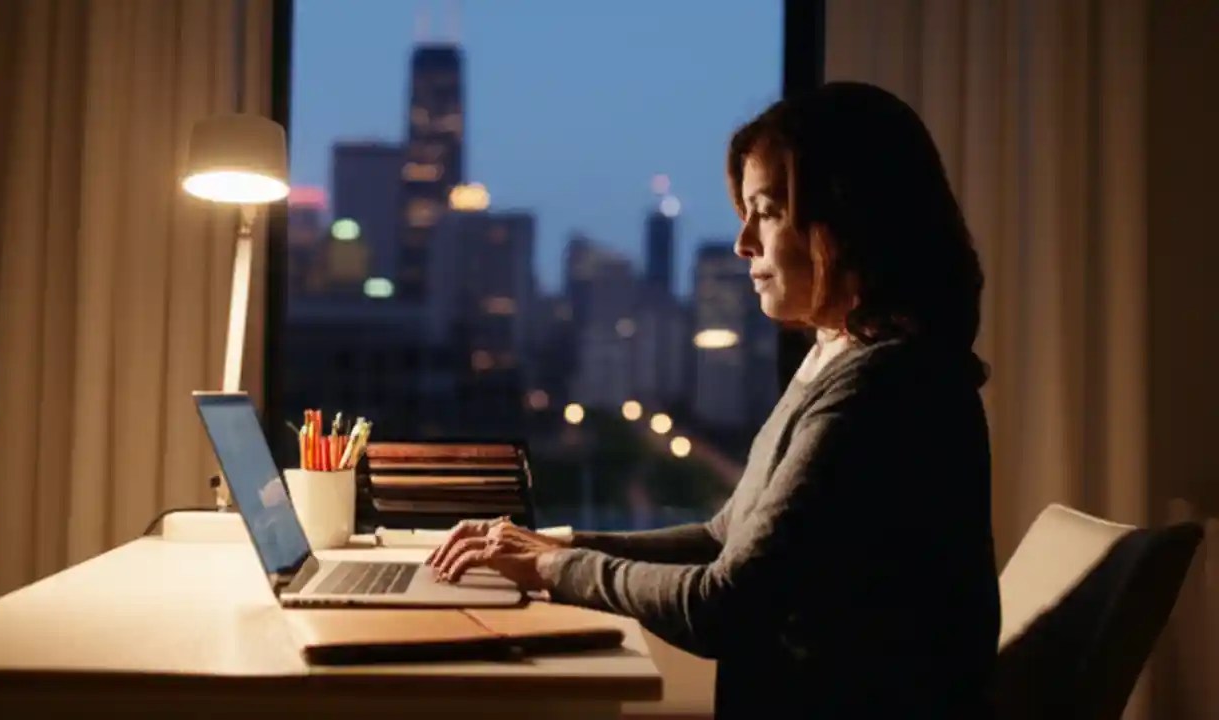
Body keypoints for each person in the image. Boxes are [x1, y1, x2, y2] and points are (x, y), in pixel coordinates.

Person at [428, 81, 1001, 719]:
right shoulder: (843, 358)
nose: (743, 243)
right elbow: (719, 538)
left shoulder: (885, 391)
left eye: (769, 211)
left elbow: (723, 606)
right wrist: (547, 544)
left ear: (844, 222)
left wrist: (557, 568)